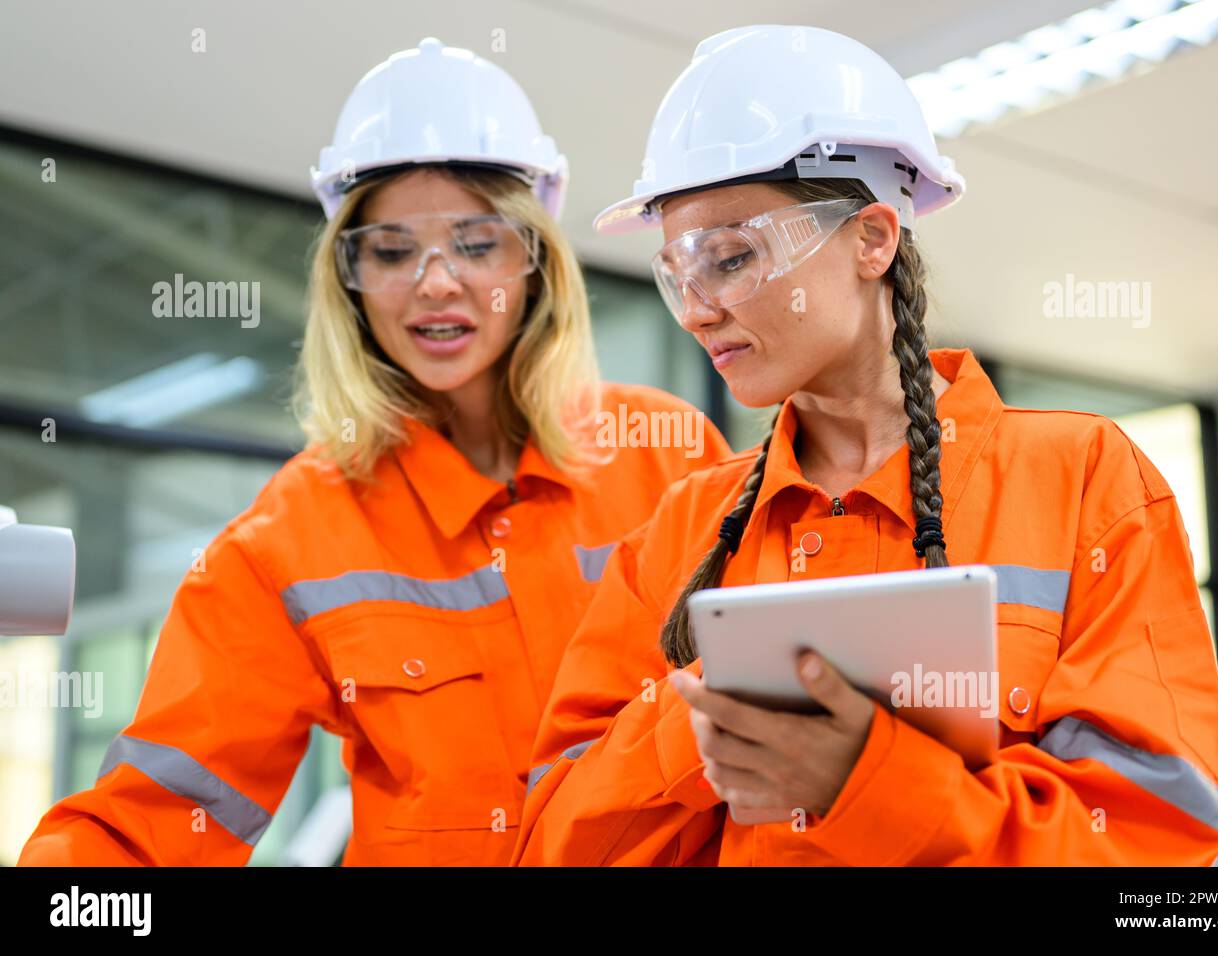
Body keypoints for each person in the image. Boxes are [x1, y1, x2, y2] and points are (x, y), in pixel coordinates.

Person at [511, 25, 1218, 866]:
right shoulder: (681, 531)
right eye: (680, 273)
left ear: (872, 240)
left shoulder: (1082, 480)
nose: (699, 309)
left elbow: (1152, 838)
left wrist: (872, 782)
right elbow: (554, 845)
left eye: (733, 258)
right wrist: (708, 711)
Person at [19, 38, 729, 866]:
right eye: (392, 250)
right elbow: (159, 814)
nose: (435, 283)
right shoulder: (291, 536)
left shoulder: (670, 457)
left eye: (475, 243)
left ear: (534, 261)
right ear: (347, 277)